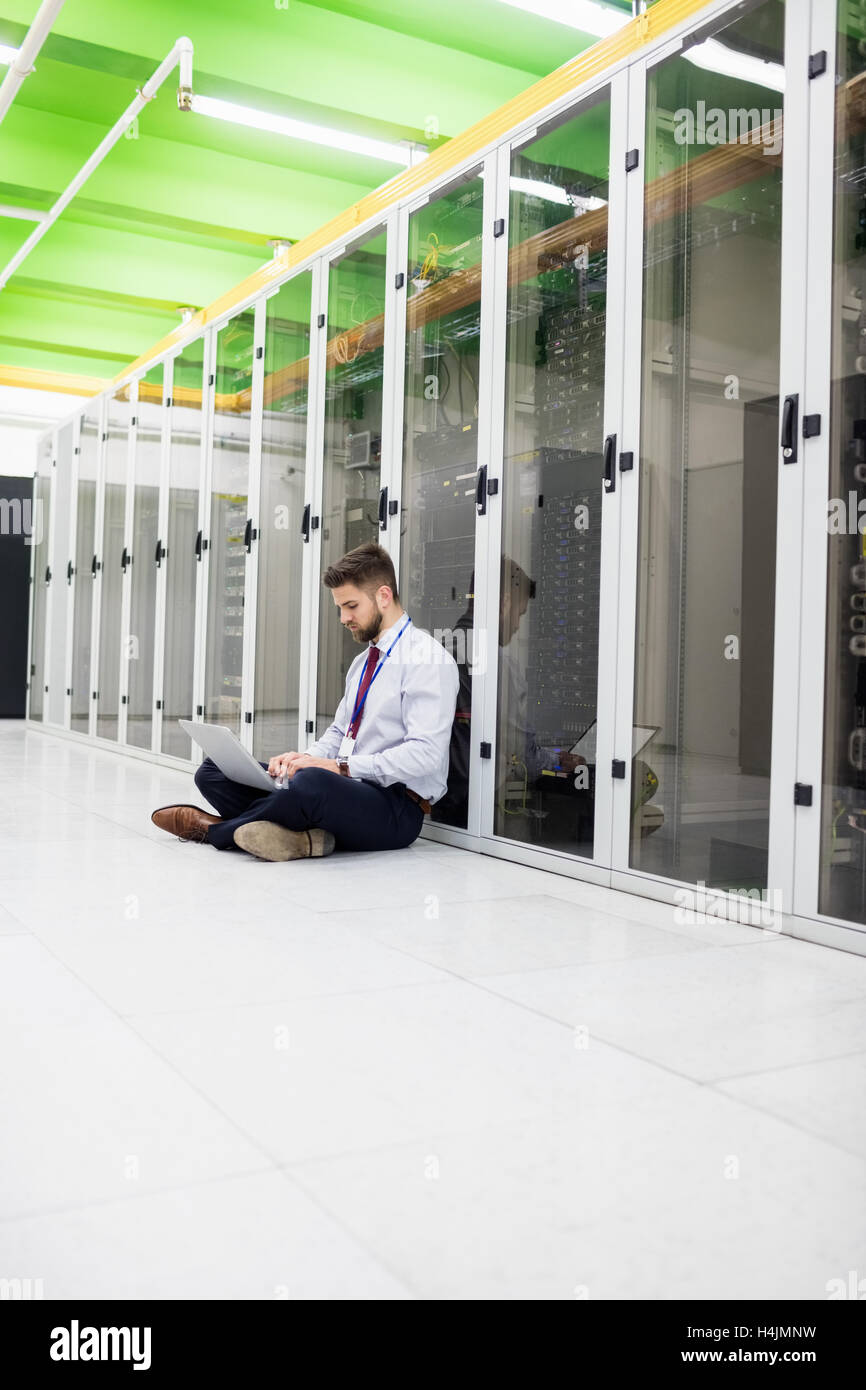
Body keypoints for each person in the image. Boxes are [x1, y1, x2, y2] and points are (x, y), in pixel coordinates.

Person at [151, 542, 459, 861]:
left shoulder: (427, 660)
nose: (343, 618)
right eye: (340, 607)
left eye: (351, 606)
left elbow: (426, 755)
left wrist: (338, 768)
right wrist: (304, 758)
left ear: (383, 596)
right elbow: (340, 733)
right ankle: (302, 834)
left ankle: (216, 830)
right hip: (345, 789)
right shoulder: (362, 663)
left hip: (394, 809)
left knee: (312, 784)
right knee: (214, 771)